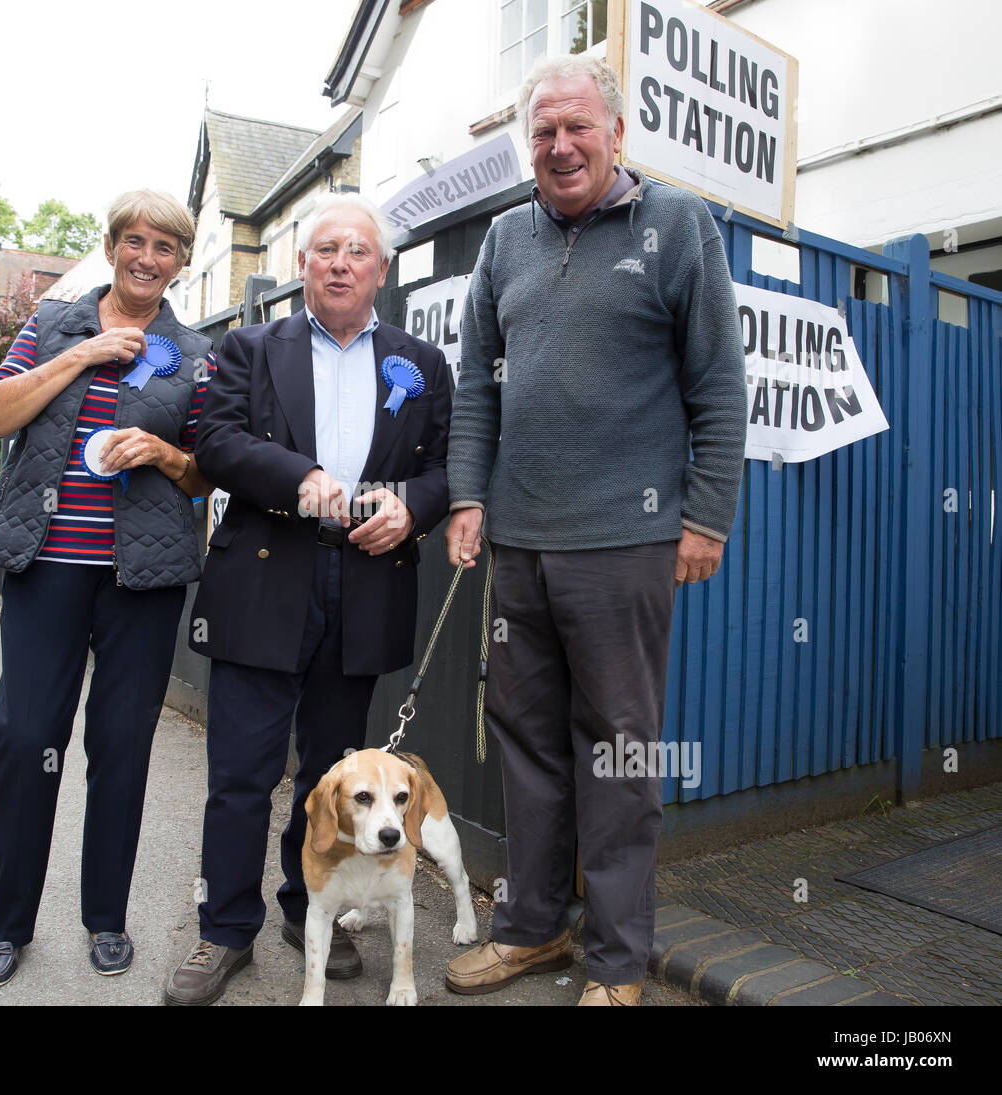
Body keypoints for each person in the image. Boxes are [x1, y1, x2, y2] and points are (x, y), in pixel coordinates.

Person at [443, 55, 747, 1006]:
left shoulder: (677, 226)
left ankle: (617, 966)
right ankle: (531, 930)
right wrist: (466, 496)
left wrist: (704, 516)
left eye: (578, 127)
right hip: (521, 547)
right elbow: (475, 388)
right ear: (526, 145)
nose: (561, 146)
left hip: (627, 544)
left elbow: (719, 385)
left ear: (617, 134)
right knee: (527, 747)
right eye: (543, 132)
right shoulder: (504, 240)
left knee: (618, 754)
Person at [165, 192, 452, 1005]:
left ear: (380, 270)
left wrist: (413, 508)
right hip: (265, 574)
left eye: (356, 251)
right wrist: (302, 479)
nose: (339, 262)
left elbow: (440, 466)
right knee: (242, 772)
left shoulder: (422, 365)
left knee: (332, 773)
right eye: (324, 249)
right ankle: (224, 932)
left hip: (364, 583)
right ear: (302, 265)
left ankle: (305, 906)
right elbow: (215, 444)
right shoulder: (249, 348)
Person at [0, 189, 216, 988]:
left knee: (121, 746)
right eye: (135, 241)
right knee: (27, 736)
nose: (148, 258)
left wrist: (167, 455)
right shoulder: (52, 324)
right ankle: (8, 922)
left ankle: (105, 916)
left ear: (182, 260)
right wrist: (80, 354)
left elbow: (212, 466)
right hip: (46, 570)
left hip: (140, 579)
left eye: (166, 247)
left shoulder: (199, 351)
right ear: (111, 245)